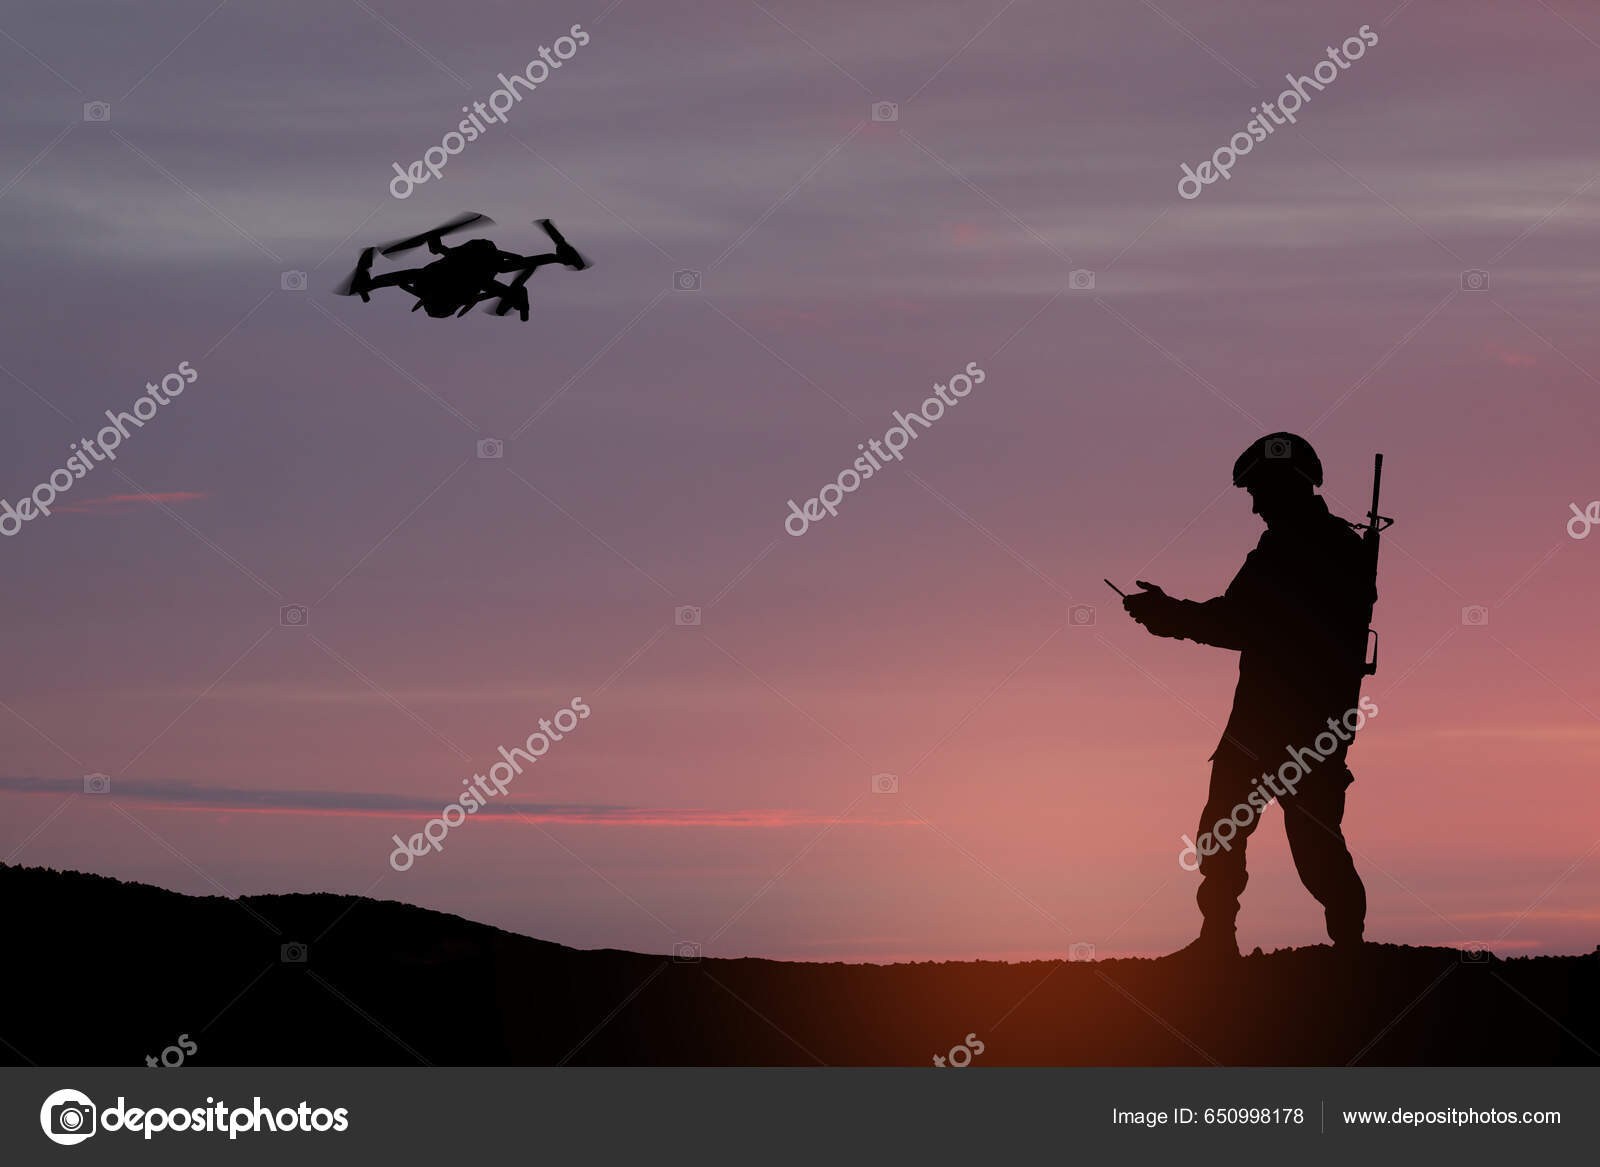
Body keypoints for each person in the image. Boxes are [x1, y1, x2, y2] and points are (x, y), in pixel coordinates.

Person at [1121, 433, 1372, 958]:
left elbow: (1241, 623)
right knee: (1238, 831)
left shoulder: (1299, 548)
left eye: (1261, 490)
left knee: (1305, 842)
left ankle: (1344, 951)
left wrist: (1170, 616)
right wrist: (1175, 616)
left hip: (1291, 725)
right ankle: (1241, 942)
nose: (1255, 505)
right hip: (1287, 724)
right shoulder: (1324, 545)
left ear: (1287, 486)